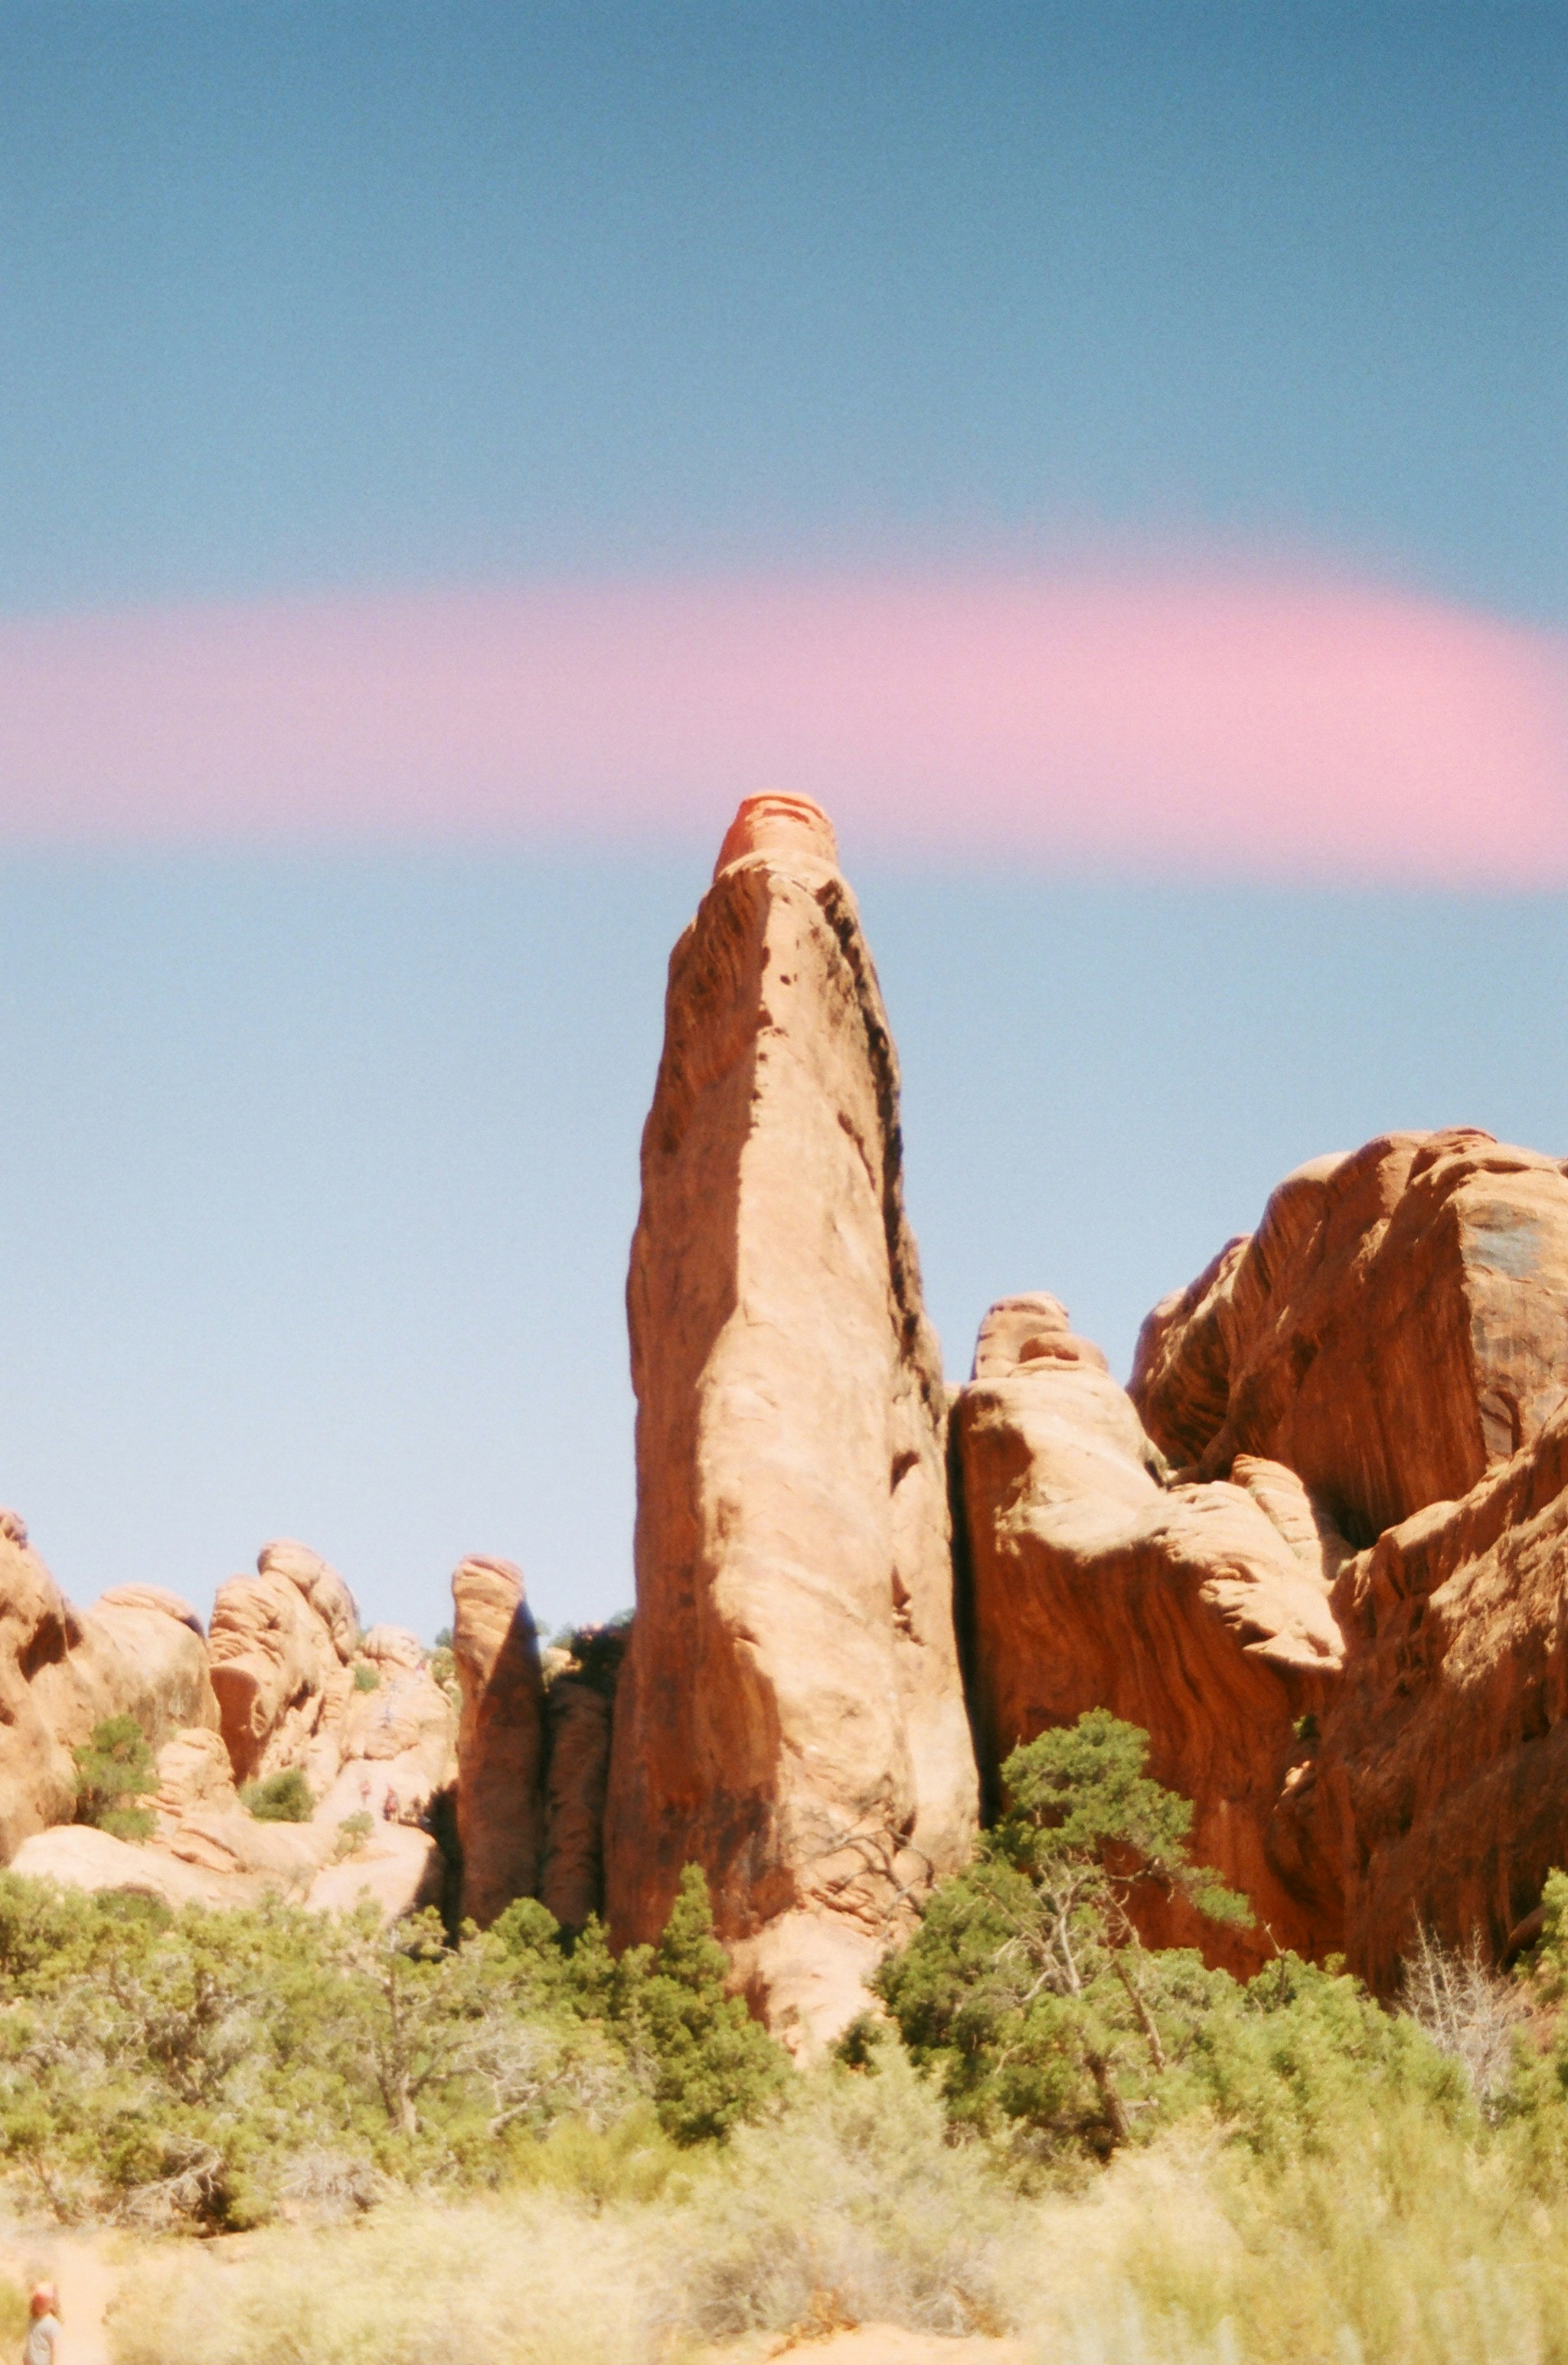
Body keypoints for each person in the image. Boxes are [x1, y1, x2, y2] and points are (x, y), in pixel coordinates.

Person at [23, 2284, 60, 2365]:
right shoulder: (32, 2321)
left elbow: (55, 2349)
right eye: (38, 2302)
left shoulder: (52, 2324)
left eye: (44, 2302)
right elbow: (30, 2343)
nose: (40, 2305)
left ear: (51, 2304)